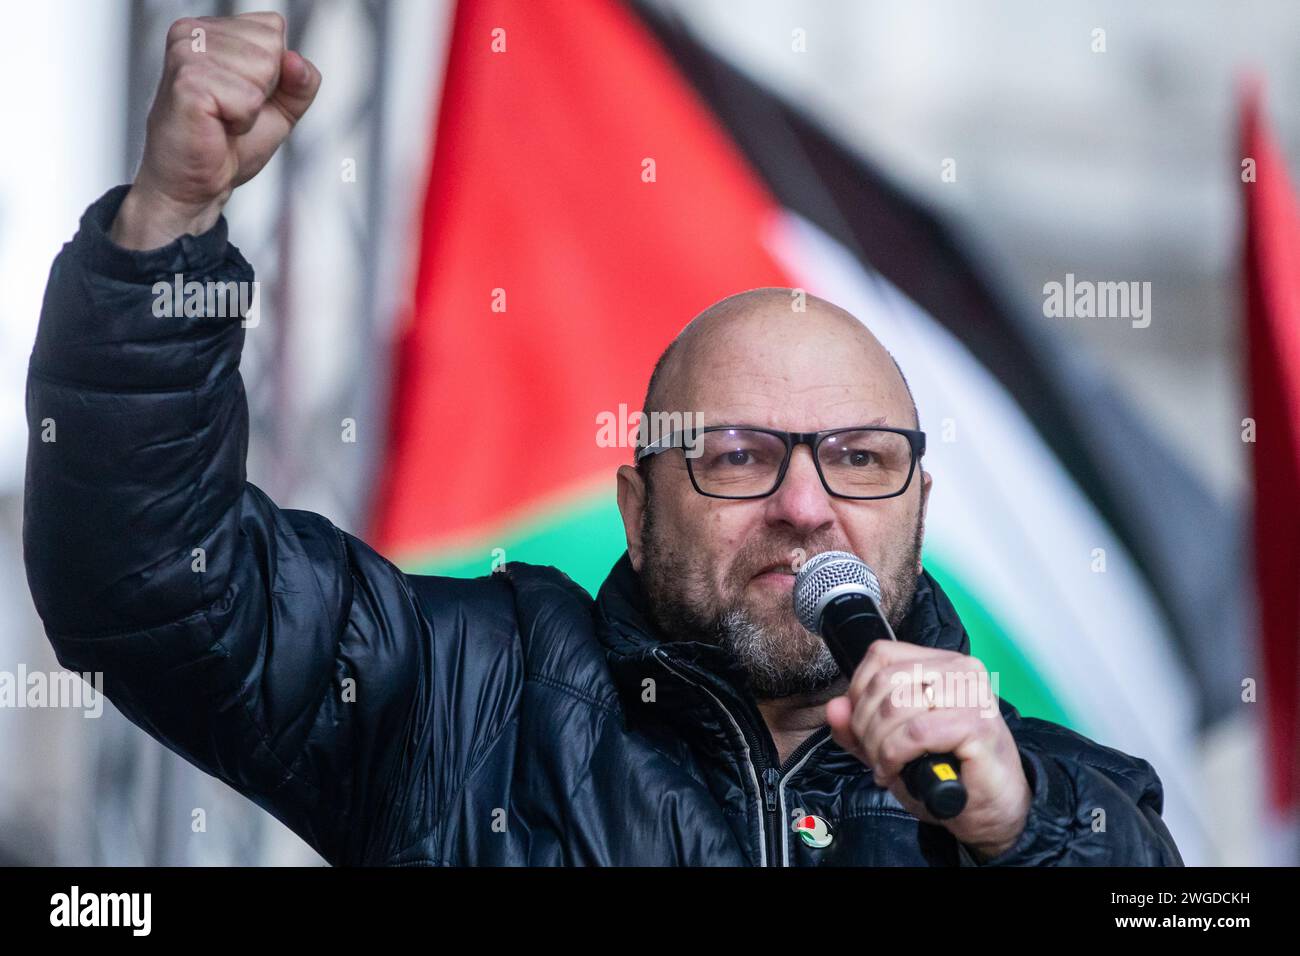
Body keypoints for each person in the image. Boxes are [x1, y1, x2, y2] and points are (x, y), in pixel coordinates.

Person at [24, 11, 1182, 866]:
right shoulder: (459, 688)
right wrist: (169, 229)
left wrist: (1017, 830)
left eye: (860, 457)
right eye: (735, 454)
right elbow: (148, 582)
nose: (805, 504)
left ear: (918, 503)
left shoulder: (1063, 792)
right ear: (634, 503)